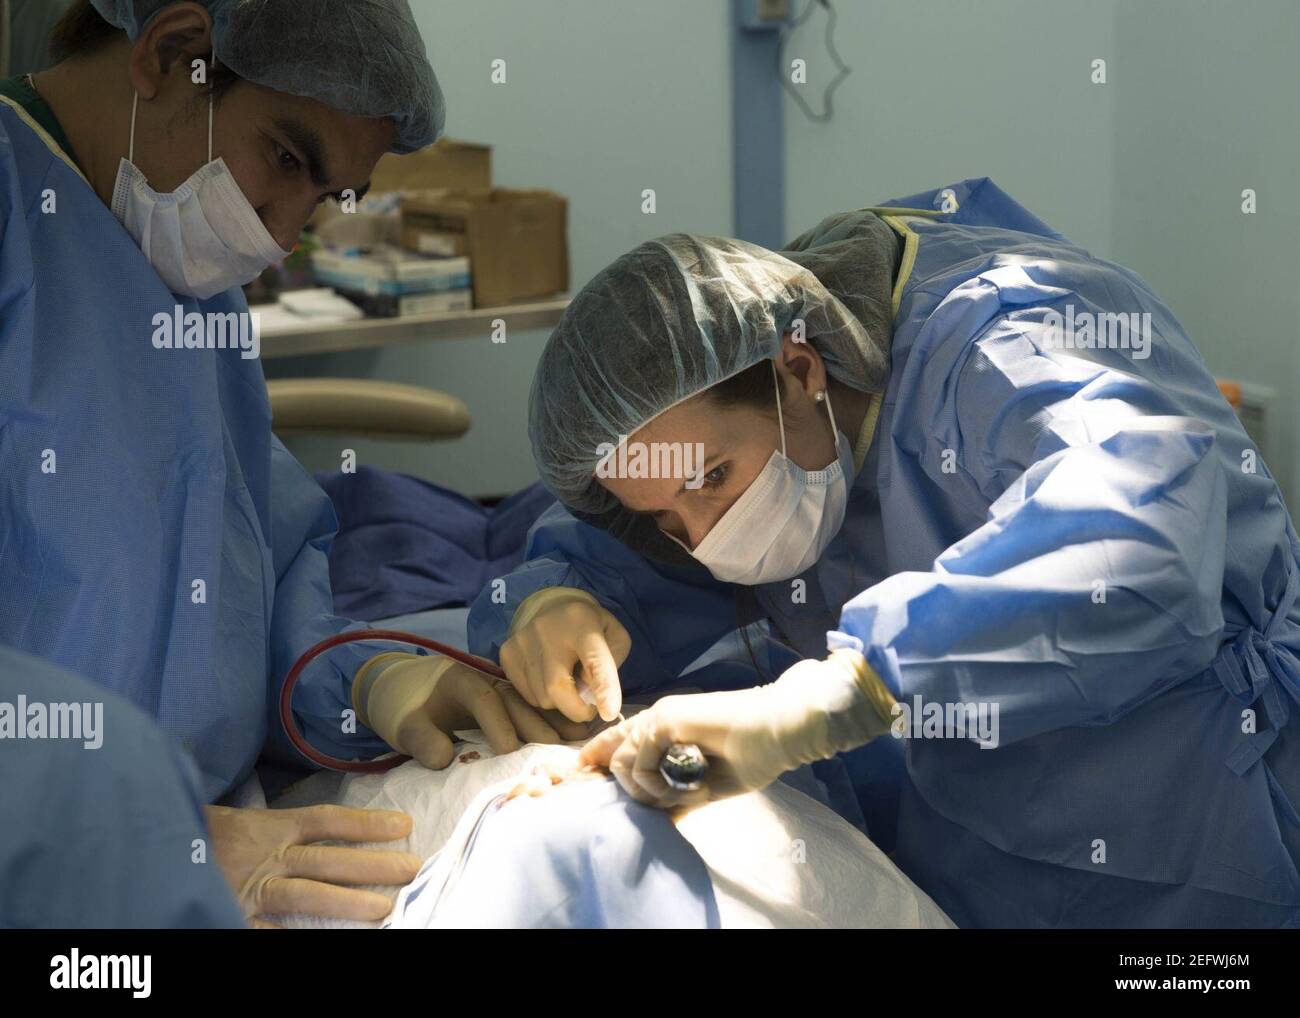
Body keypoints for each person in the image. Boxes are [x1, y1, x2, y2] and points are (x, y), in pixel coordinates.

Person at [456, 178, 1300, 928]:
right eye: (669, 519)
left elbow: (1140, 546)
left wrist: (848, 692)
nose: (706, 536)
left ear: (797, 369)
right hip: (979, 847)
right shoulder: (745, 454)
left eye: (713, 477)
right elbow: (619, 562)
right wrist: (548, 603)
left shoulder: (1008, 337)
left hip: (1202, 817)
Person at [0, 0, 579, 926]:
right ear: (175, 50)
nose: (279, 239)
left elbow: (248, 569)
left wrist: (362, 677)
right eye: (287, 159)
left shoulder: (195, 287)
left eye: (326, 199)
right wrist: (118, 832)